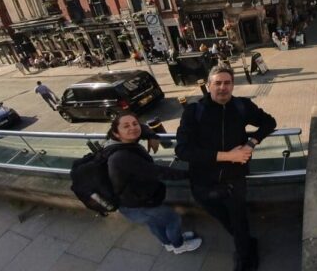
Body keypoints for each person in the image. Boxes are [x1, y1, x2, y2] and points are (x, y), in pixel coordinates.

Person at [176, 66, 277, 271]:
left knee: (239, 221)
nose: (223, 87)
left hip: (234, 180)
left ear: (233, 85)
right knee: (224, 218)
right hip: (202, 181)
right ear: (209, 85)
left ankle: (245, 256)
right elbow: (183, 150)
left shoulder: (242, 106)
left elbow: (269, 122)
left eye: (227, 83)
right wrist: (229, 156)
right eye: (218, 83)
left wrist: (251, 143)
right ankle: (247, 243)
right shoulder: (194, 112)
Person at [106, 114, 202, 254]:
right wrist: (190, 175)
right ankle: (179, 245)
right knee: (172, 219)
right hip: (135, 205)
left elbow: (141, 129)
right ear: (116, 133)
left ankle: (167, 243)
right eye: (126, 126)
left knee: (154, 222)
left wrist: (152, 135)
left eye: (135, 123)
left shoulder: (114, 143)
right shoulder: (122, 157)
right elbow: (158, 172)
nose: (133, 128)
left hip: (133, 199)